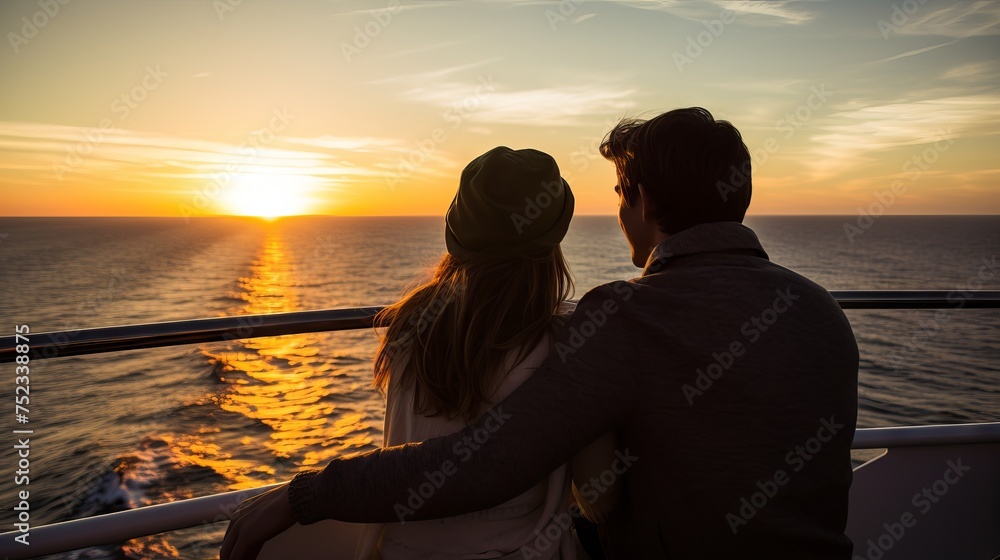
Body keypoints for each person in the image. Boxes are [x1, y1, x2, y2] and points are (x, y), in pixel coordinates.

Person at [221, 108, 859, 559]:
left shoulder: (626, 317)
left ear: (640, 200)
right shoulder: (820, 311)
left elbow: (489, 463)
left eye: (620, 193)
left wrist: (307, 494)